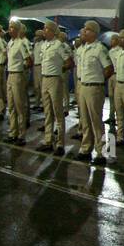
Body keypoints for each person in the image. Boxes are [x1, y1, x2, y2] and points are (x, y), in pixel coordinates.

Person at [73, 20, 114, 163]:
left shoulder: (99, 49)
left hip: (94, 88)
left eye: (87, 29)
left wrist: (99, 80)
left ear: (94, 33)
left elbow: (109, 69)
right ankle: (86, 149)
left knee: (96, 121)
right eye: (84, 29)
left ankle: (102, 153)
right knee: (85, 120)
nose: (84, 31)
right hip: (83, 86)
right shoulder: (83, 49)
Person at [36, 22, 73, 151]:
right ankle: (48, 140)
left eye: (46, 29)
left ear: (52, 31)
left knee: (58, 112)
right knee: (47, 111)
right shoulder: (44, 45)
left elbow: (69, 62)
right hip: (44, 78)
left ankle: (60, 143)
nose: (44, 32)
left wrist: (59, 69)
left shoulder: (59, 45)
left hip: (54, 79)